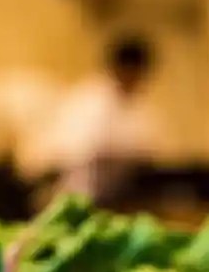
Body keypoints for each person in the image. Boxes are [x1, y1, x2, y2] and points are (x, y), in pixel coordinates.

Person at [19, 34, 163, 206]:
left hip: (110, 198)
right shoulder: (91, 100)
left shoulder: (138, 106)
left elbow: (148, 150)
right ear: (120, 68)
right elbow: (77, 150)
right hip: (71, 193)